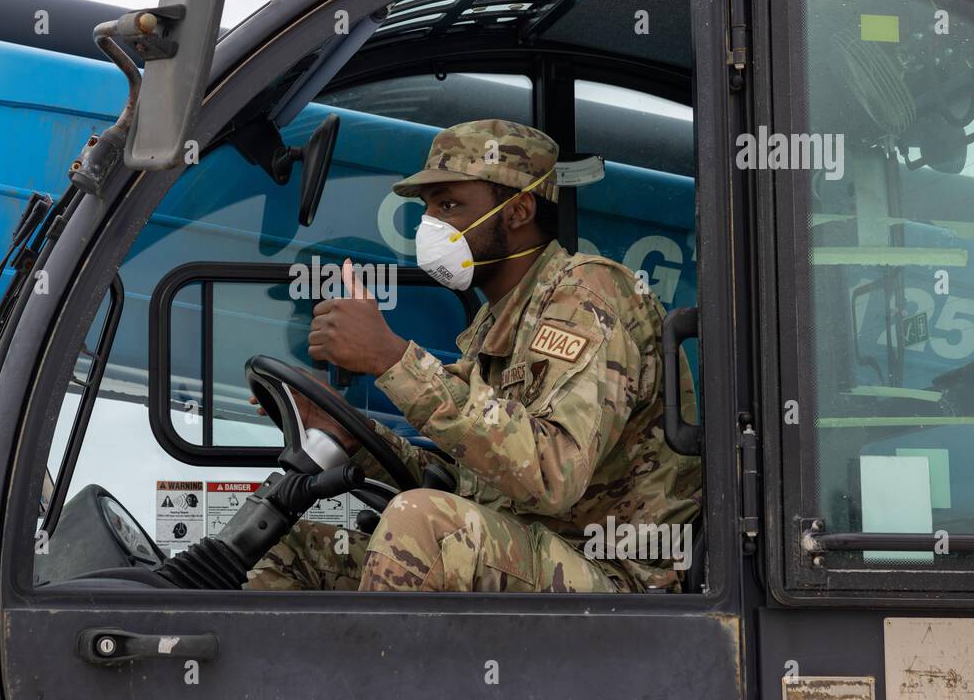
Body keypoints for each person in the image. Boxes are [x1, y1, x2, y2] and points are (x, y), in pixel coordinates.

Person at [244, 119, 701, 593]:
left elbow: (550, 474)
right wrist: (351, 434)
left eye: (450, 205)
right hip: (529, 555)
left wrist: (391, 359)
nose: (431, 225)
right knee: (285, 547)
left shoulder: (588, 295)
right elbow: (464, 481)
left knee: (426, 526)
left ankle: (373, 669)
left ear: (519, 210)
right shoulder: (495, 323)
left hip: (619, 581)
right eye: (428, 209)